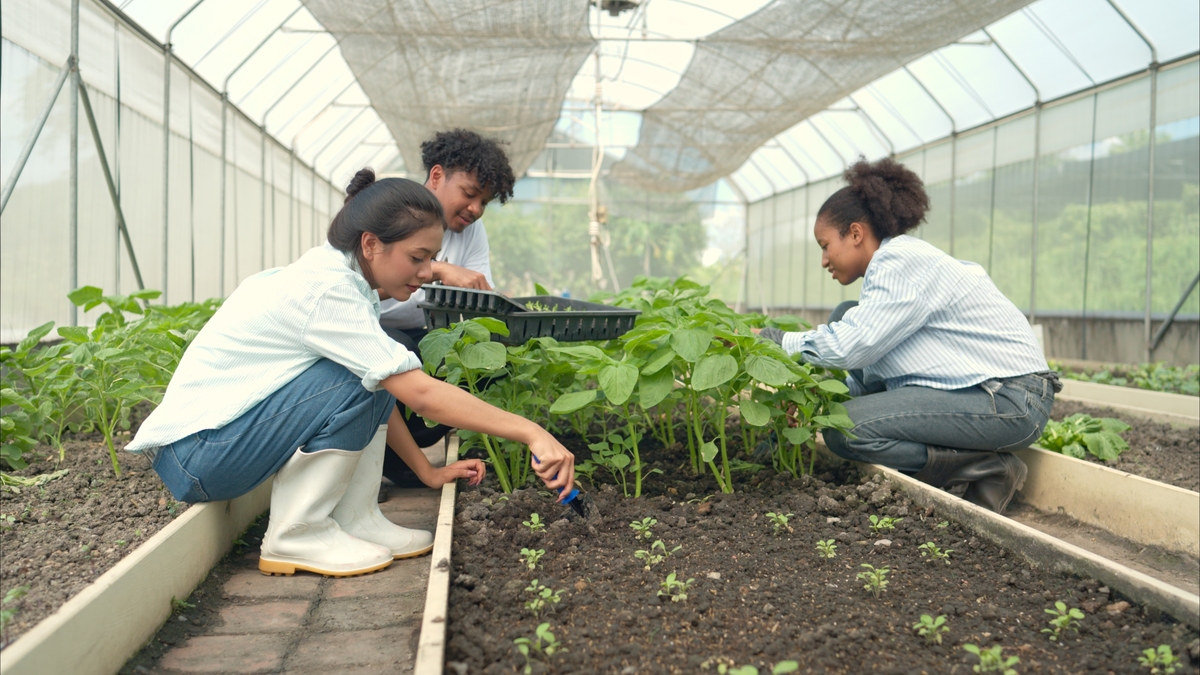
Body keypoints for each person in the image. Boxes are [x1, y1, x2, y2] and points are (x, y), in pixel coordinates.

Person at [126, 170, 574, 577]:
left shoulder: (345, 281)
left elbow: (383, 389)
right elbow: (416, 393)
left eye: (431, 259)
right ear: (370, 244)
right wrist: (532, 432)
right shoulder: (327, 291)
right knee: (366, 372)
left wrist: (426, 472)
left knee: (380, 364)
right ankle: (295, 535)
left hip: (215, 445)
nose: (425, 274)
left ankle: (356, 517)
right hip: (198, 456)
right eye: (417, 258)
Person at [758, 157, 1058, 515]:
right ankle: (974, 462)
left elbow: (851, 347)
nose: (824, 260)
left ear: (855, 234)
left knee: (844, 430)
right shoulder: (892, 269)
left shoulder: (898, 262)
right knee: (844, 317)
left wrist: (774, 339)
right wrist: (816, 399)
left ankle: (988, 468)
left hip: (1010, 401)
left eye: (825, 245)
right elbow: (869, 376)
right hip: (981, 392)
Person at [376, 129, 515, 491]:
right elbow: (354, 290)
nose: (475, 209)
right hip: (375, 329)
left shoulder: (471, 231)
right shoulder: (394, 212)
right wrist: (438, 269)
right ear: (436, 176)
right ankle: (382, 463)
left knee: (489, 357)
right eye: (469, 194)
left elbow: (476, 292)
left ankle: (419, 453)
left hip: (429, 334)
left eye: (484, 201)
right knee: (396, 352)